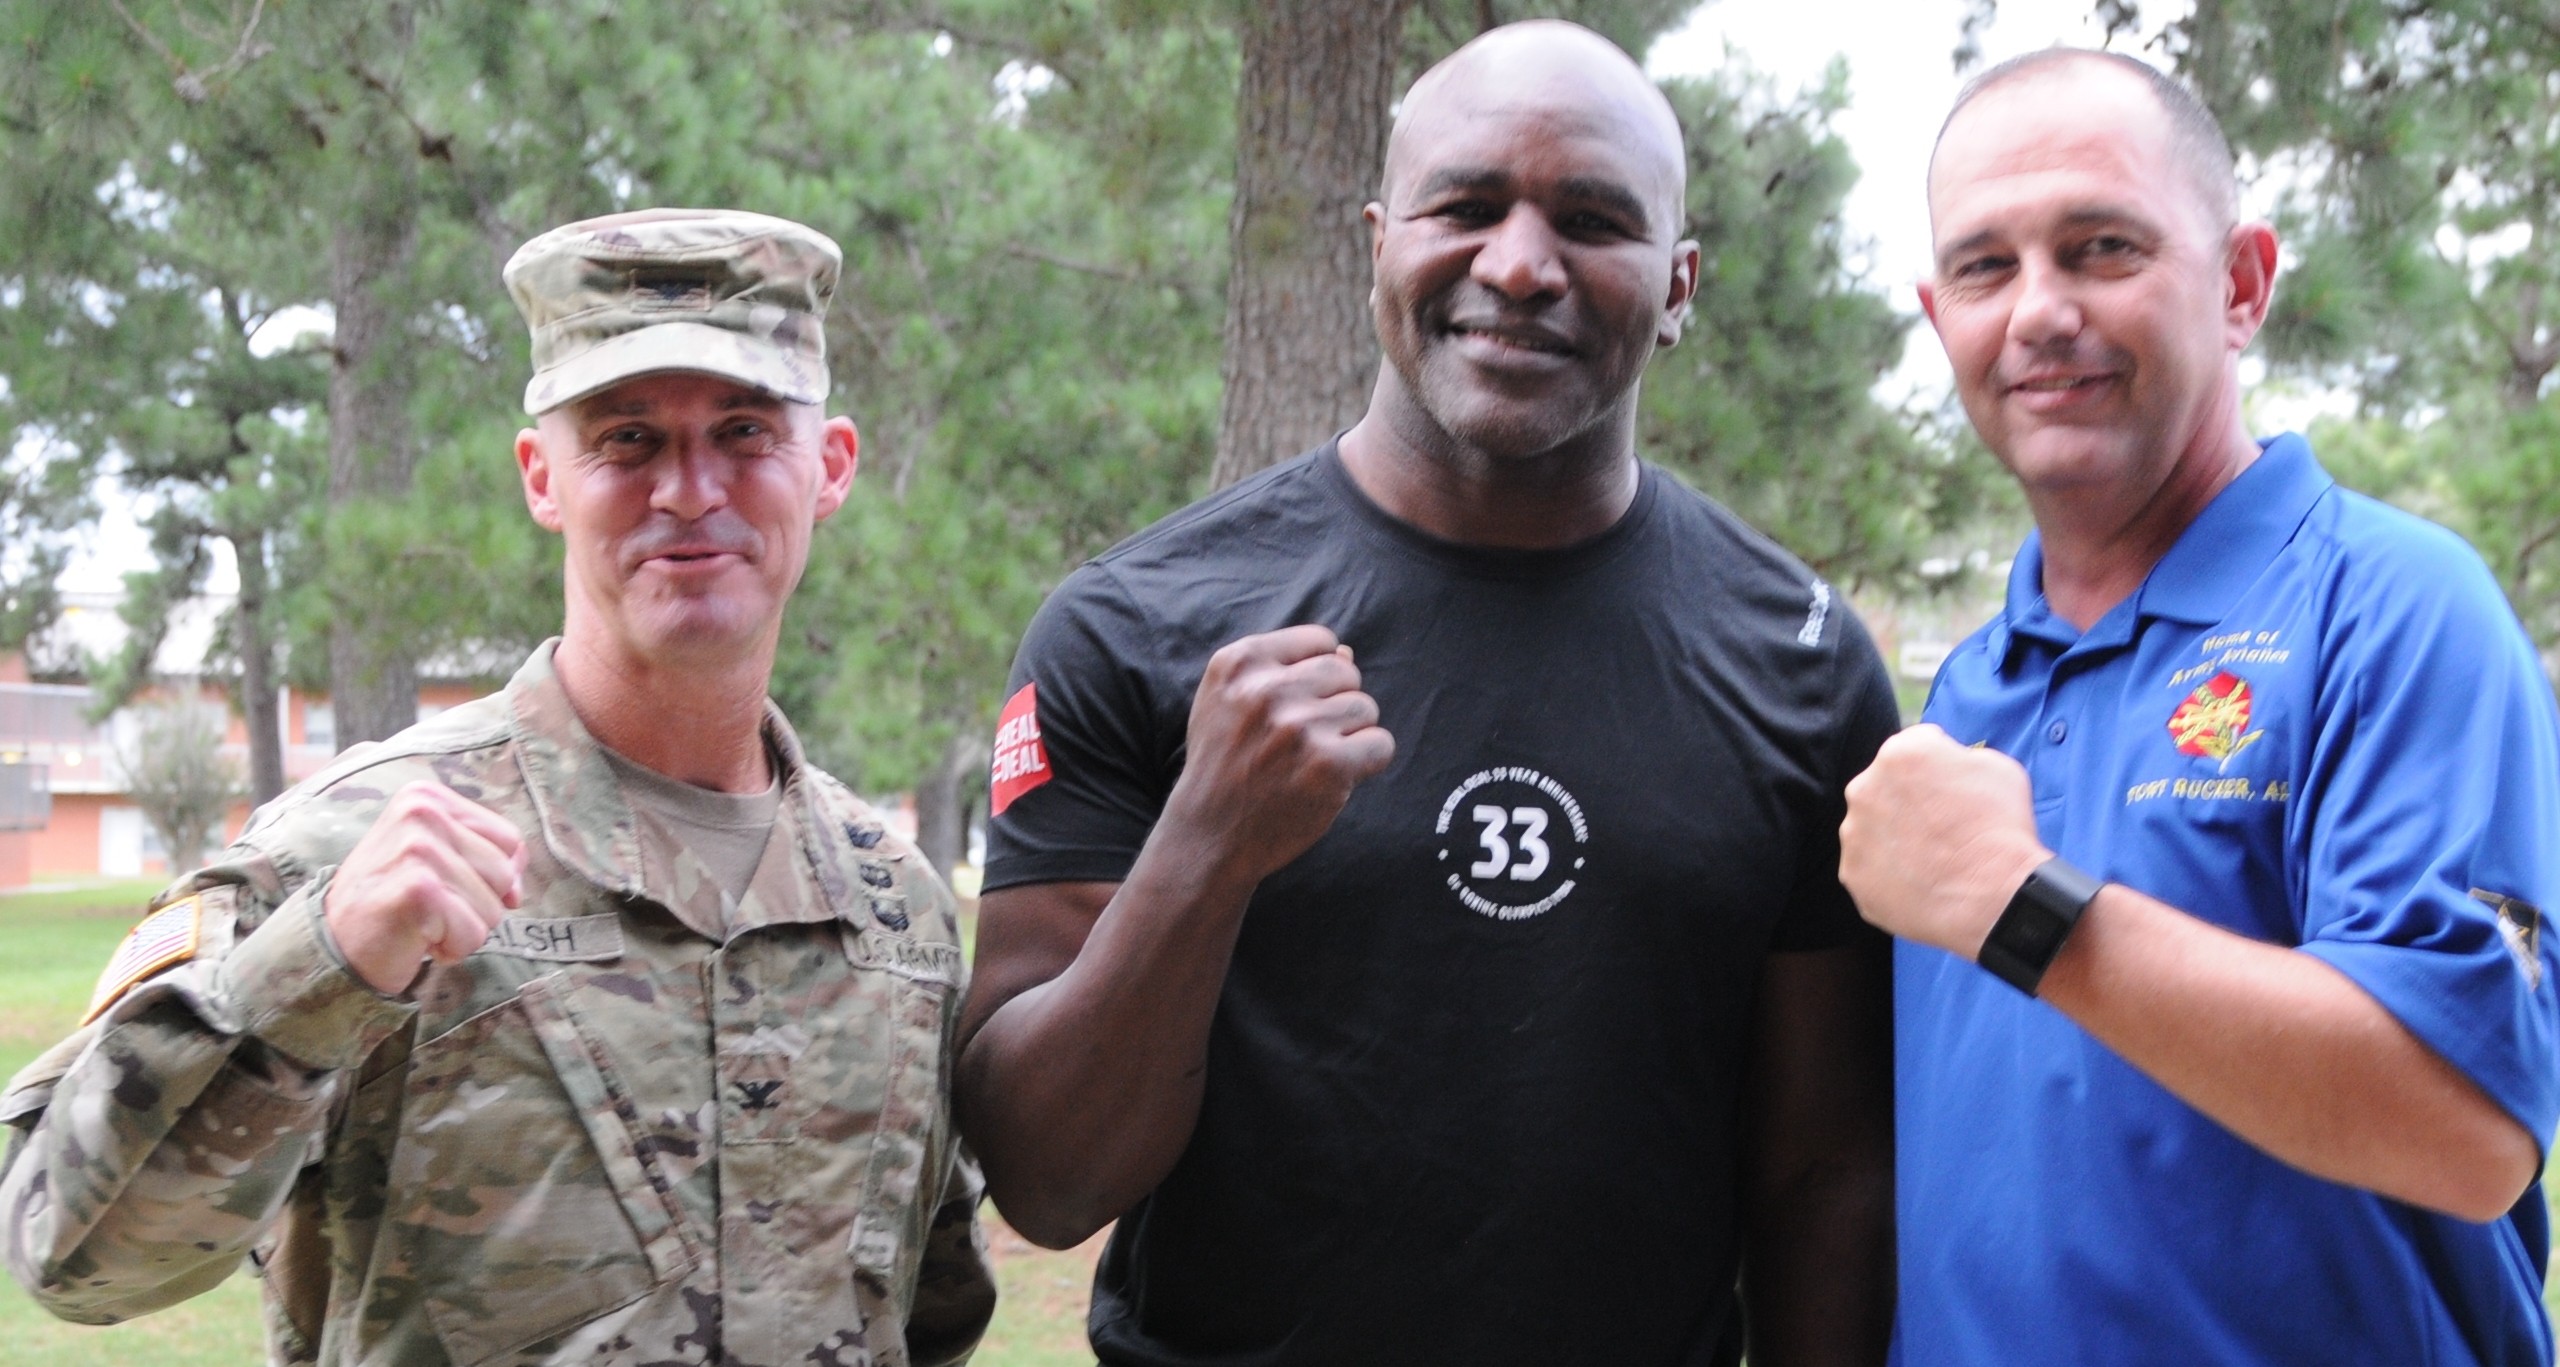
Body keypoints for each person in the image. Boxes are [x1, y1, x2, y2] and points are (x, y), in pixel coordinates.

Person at [960, 20, 1898, 1367]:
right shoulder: (1133, 625)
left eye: (1592, 220)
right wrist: (1208, 845)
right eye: (1465, 205)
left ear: (1679, 283)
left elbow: (1823, 1177)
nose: (1519, 265)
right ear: (1376, 242)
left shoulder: (1804, 664)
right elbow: (1046, 1182)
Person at [0, 209, 995, 1366]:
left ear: (829, 470)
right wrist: (317, 967)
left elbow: (925, 1311)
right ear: (542, 478)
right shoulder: (350, 849)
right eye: (626, 439)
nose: (687, 487)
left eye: (742, 431)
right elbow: (72, 1253)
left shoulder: (894, 908)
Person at [1840, 49, 2560, 1366]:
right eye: (1988, 268)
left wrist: (2025, 903)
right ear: (1941, 317)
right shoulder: (1968, 691)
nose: (2040, 310)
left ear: (2240, 285)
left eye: (2101, 246)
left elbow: (2467, 1129)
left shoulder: (2392, 608)